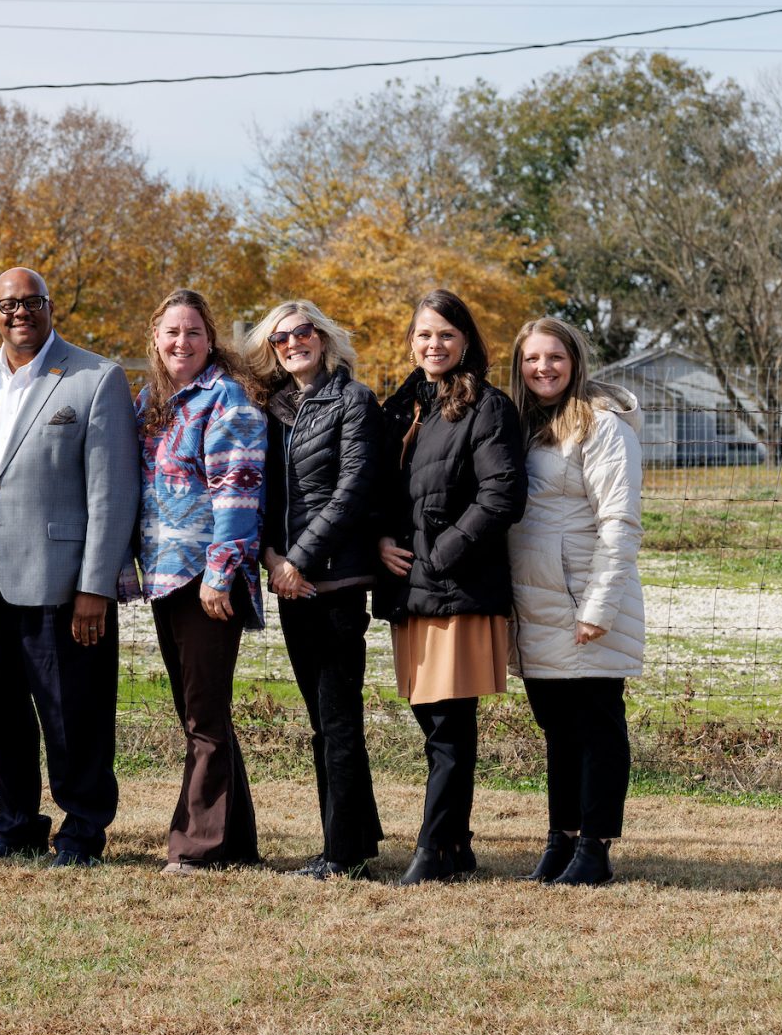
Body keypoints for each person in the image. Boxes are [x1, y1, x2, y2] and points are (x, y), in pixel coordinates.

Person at [0, 267, 141, 867]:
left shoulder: (95, 378)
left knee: (74, 715)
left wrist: (95, 586)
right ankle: (18, 826)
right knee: (0, 715)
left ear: (50, 308)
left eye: (32, 302)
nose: (20, 312)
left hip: (63, 584)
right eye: (8, 305)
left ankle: (82, 834)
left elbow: (112, 492)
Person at [376, 288, 526, 886]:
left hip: (456, 587)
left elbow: (502, 495)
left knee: (447, 727)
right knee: (433, 721)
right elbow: (381, 489)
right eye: (423, 334)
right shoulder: (407, 405)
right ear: (411, 342)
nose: (433, 344)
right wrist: (380, 541)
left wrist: (440, 556)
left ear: (466, 341)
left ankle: (435, 849)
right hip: (409, 588)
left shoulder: (487, 407)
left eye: (445, 334)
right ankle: (457, 844)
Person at [120, 289, 267, 875]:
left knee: (204, 716)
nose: (182, 342)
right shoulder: (149, 403)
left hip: (206, 578)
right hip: (164, 576)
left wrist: (220, 573)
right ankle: (237, 841)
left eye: (194, 333)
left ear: (211, 341)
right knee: (201, 712)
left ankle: (197, 848)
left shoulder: (226, 399)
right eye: (172, 332)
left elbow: (239, 492)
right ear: (156, 339)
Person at [244, 299, 386, 880]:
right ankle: (353, 839)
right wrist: (272, 558)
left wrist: (296, 560)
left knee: (338, 717)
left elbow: (352, 489)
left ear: (322, 338)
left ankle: (342, 856)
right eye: (280, 339)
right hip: (290, 580)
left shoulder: (353, 400)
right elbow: (263, 492)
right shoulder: (273, 407)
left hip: (334, 581)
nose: (292, 344)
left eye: (302, 332)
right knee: (322, 718)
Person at [507, 316, 644, 887]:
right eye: (532, 358)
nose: (544, 368)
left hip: (581, 597)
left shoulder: (602, 426)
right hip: (533, 601)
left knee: (596, 726)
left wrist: (598, 607)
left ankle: (596, 846)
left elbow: (620, 522)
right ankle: (560, 838)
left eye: (555, 357)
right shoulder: (522, 425)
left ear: (575, 361)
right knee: (558, 728)